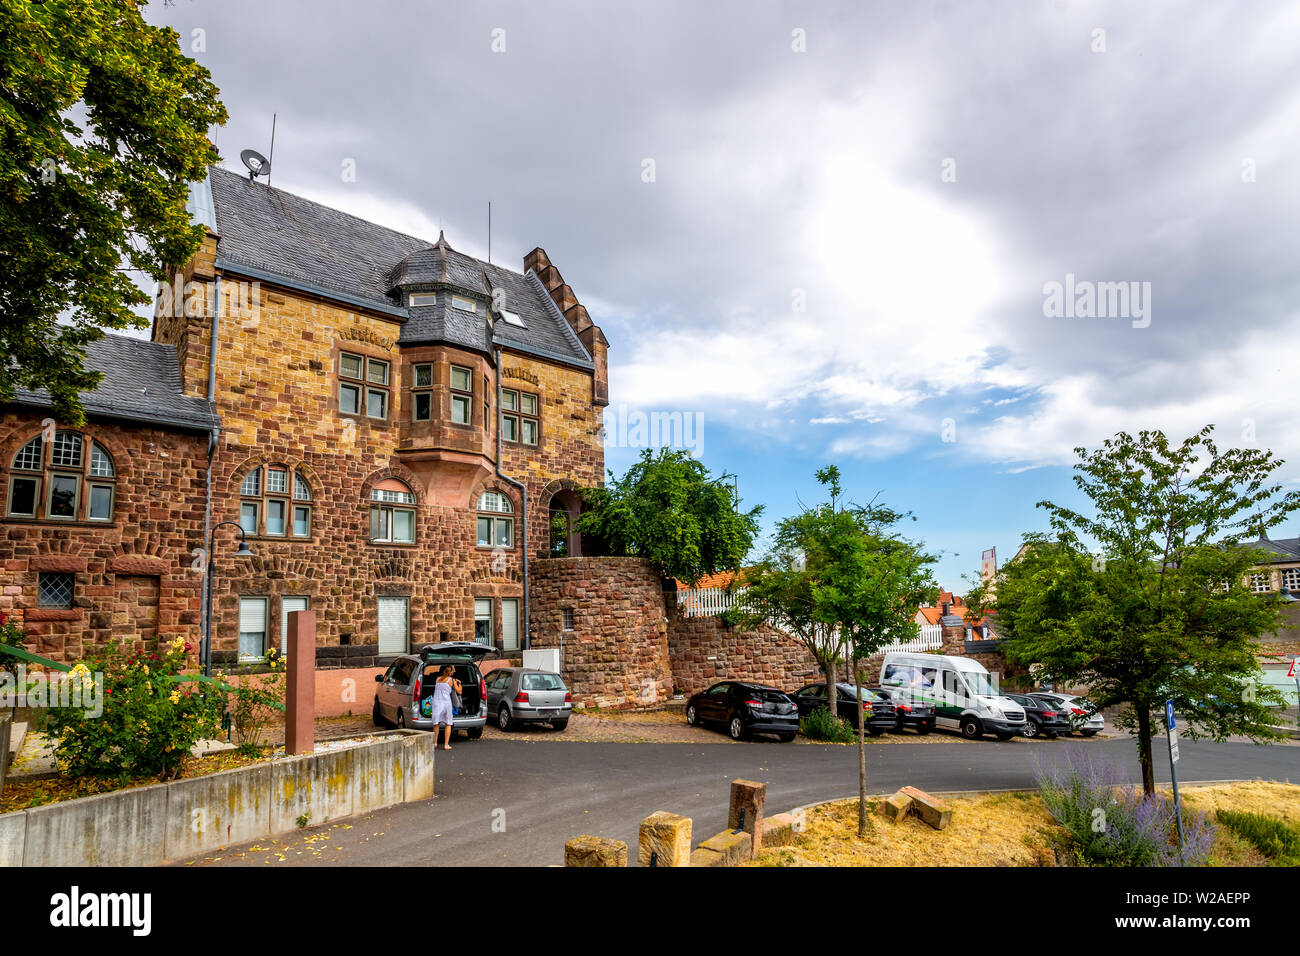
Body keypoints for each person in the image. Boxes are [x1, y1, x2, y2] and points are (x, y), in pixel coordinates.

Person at [430, 664, 461, 751]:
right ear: (451, 672)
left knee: (436, 724)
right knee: (448, 724)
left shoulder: (437, 679)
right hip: (446, 704)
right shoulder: (452, 680)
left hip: (437, 703)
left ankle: (435, 743)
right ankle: (446, 745)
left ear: (443, 671)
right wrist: (459, 684)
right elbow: (459, 691)